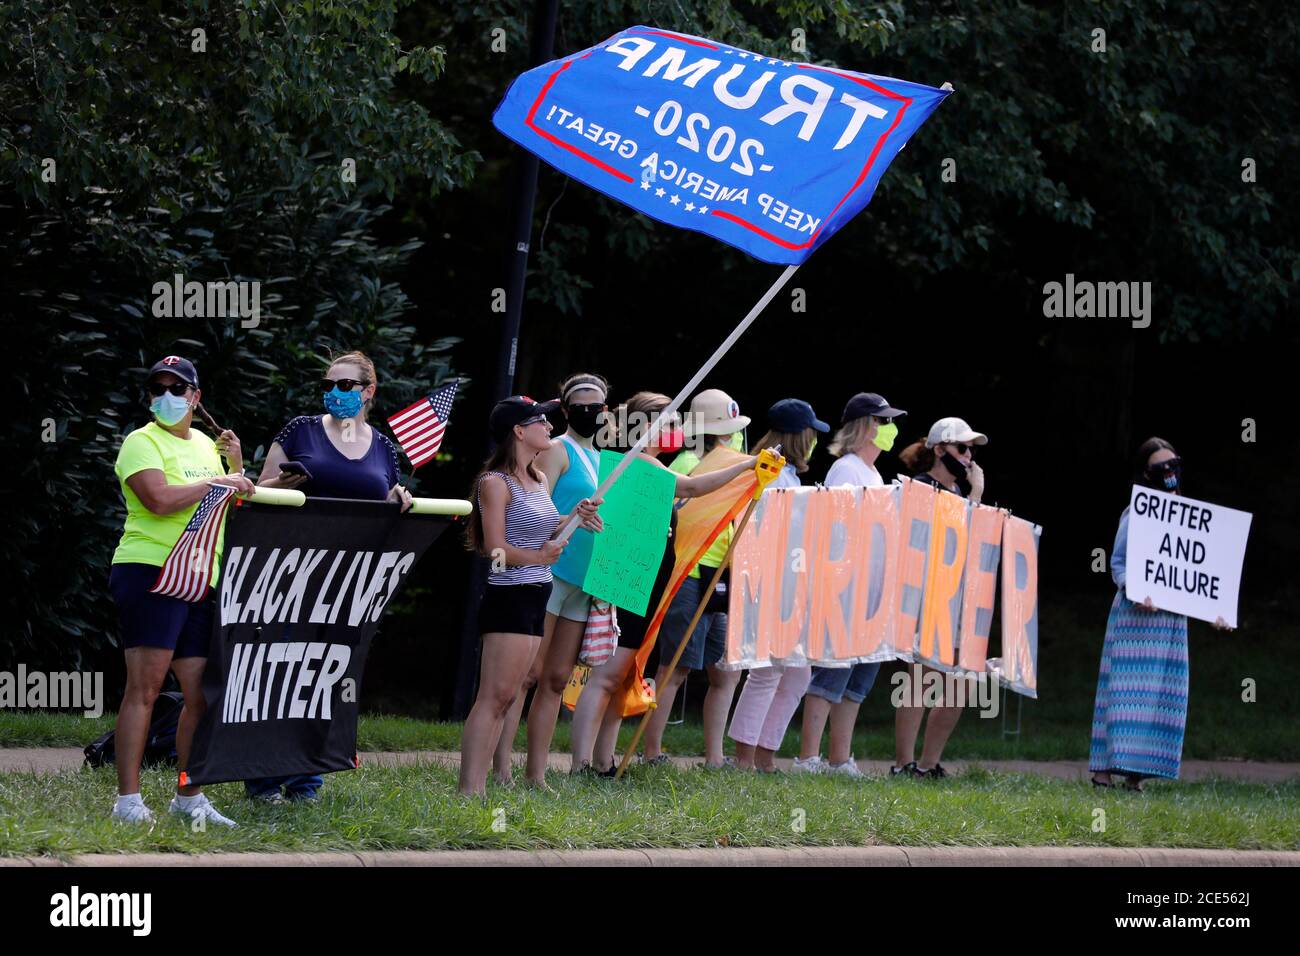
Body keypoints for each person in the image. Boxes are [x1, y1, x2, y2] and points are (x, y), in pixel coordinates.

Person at [248, 350, 413, 802]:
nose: (334, 393)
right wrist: (285, 485)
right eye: (329, 385)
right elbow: (257, 490)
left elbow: (386, 501)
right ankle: (262, 781)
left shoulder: (382, 447)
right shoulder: (299, 430)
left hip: (347, 582)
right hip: (288, 573)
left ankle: (306, 781)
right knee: (277, 673)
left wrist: (397, 495)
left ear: (368, 391)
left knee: (323, 679)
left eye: (345, 385)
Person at [568, 391, 761, 774]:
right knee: (607, 676)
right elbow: (691, 488)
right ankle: (580, 764)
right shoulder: (638, 463)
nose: (678, 431)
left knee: (622, 679)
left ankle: (603, 762)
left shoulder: (649, 463)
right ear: (648, 428)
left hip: (646, 585)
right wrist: (747, 466)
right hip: (628, 584)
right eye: (670, 424)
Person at [108, 355, 255, 825]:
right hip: (150, 571)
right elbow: (158, 499)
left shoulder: (208, 450)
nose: (167, 397)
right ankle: (127, 803)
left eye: (178, 388)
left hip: (198, 579)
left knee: (202, 695)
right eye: (158, 388)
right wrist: (219, 480)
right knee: (145, 689)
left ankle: (189, 798)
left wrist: (235, 466)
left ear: (196, 397)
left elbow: (222, 505)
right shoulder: (140, 441)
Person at [459, 396, 602, 797]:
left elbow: (545, 523)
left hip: (536, 593)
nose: (548, 426)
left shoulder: (538, 479)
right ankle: (470, 791)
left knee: (508, 696)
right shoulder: (495, 483)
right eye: (539, 420)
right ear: (518, 432)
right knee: (495, 696)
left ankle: (479, 789)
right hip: (509, 595)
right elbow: (495, 549)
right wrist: (539, 556)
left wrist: (575, 515)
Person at [1089, 438, 1233, 791]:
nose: (1169, 473)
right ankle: (1103, 771)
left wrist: (1217, 609)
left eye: (1174, 465)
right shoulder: (1136, 512)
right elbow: (1118, 562)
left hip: (1170, 623)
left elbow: (1202, 572)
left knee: (1162, 694)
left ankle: (1137, 774)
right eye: (1160, 468)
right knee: (1123, 691)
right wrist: (1134, 590)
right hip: (1135, 617)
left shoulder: (1190, 516)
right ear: (1146, 474)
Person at [491, 372, 610, 787]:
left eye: (596, 405)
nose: (589, 412)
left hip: (585, 578)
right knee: (526, 674)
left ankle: (536, 774)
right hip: (550, 572)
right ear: (564, 409)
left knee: (557, 678)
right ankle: (501, 767)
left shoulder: (607, 460)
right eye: (579, 404)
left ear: (607, 411)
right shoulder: (557, 450)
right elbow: (529, 509)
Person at [792, 393, 907, 777]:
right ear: (865, 427)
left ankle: (839, 759)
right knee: (831, 672)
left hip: (872, 592)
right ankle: (809, 757)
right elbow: (834, 531)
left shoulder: (873, 475)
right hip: (845, 589)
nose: (890, 429)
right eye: (883, 421)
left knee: (858, 680)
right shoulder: (847, 470)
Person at [641, 388, 752, 769]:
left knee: (724, 669)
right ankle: (651, 749)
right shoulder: (687, 461)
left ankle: (715, 758)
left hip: (722, 571)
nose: (733, 438)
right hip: (688, 570)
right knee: (676, 665)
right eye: (728, 431)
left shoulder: (742, 463)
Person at [727, 399, 829, 771]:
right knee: (768, 670)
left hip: (794, 582)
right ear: (798, 435)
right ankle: (744, 759)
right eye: (812, 431)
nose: (816, 438)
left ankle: (766, 753)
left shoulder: (788, 474)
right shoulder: (769, 470)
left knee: (797, 672)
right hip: (773, 582)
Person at [890, 416, 987, 779]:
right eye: (963, 448)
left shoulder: (957, 493)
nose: (968, 457)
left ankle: (929, 764)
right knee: (921, 679)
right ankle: (903, 764)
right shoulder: (919, 488)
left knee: (963, 678)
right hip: (926, 597)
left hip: (955, 595)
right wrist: (976, 496)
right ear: (939, 449)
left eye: (971, 450)